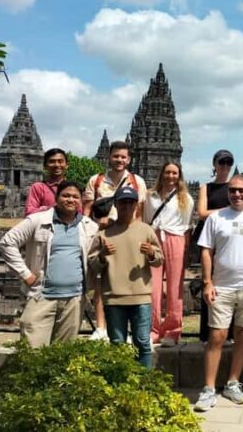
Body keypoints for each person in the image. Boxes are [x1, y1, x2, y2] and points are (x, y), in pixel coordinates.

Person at [194, 175, 243, 411]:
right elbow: (206, 251)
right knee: (216, 336)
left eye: (242, 191)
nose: (237, 194)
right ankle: (208, 389)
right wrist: (207, 282)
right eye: (233, 190)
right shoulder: (216, 217)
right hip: (221, 285)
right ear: (228, 192)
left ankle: (233, 382)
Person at [0, 181, 98, 348]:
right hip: (42, 295)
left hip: (74, 299)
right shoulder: (38, 220)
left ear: (81, 201)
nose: (70, 200)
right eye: (66, 195)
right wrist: (25, 274)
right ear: (56, 198)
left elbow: (95, 258)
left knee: (63, 352)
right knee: (33, 349)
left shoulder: (89, 227)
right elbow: (7, 242)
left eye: (75, 197)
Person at [88, 186, 162, 367]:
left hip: (140, 296)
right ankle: (120, 386)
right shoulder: (103, 234)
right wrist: (102, 255)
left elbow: (159, 260)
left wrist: (152, 253)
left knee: (143, 343)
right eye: (123, 202)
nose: (127, 206)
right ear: (116, 205)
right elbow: (93, 265)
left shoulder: (146, 230)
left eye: (131, 202)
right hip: (113, 297)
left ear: (136, 205)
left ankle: (144, 385)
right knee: (117, 345)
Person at [82, 141, 147, 341]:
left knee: (125, 279)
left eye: (123, 157)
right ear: (109, 157)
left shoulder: (137, 182)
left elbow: (141, 212)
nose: (119, 160)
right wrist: (92, 227)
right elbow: (86, 209)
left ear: (129, 159)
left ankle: (124, 330)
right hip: (101, 234)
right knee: (101, 280)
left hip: (127, 235)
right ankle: (101, 327)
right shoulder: (97, 180)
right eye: (116, 156)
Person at [145, 160, 194, 347]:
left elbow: (187, 227)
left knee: (175, 287)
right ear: (161, 174)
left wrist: (187, 250)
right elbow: (146, 220)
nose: (171, 177)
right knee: (153, 287)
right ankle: (154, 329)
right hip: (154, 238)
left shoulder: (185, 198)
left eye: (174, 173)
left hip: (176, 239)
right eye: (167, 173)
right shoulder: (151, 196)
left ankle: (173, 330)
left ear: (179, 176)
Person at [195, 150, 234, 343]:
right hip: (210, 238)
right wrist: (227, 211)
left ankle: (230, 333)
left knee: (229, 283)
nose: (225, 166)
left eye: (229, 162)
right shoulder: (206, 188)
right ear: (215, 164)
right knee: (209, 281)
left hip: (230, 239)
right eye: (222, 162)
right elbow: (202, 212)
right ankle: (206, 333)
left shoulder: (235, 187)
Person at [25, 148, 70, 216]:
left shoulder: (72, 188)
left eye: (60, 161)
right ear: (45, 166)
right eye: (52, 161)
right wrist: (50, 209)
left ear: (67, 165)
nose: (56, 165)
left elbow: (79, 212)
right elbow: (29, 212)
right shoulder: (38, 187)